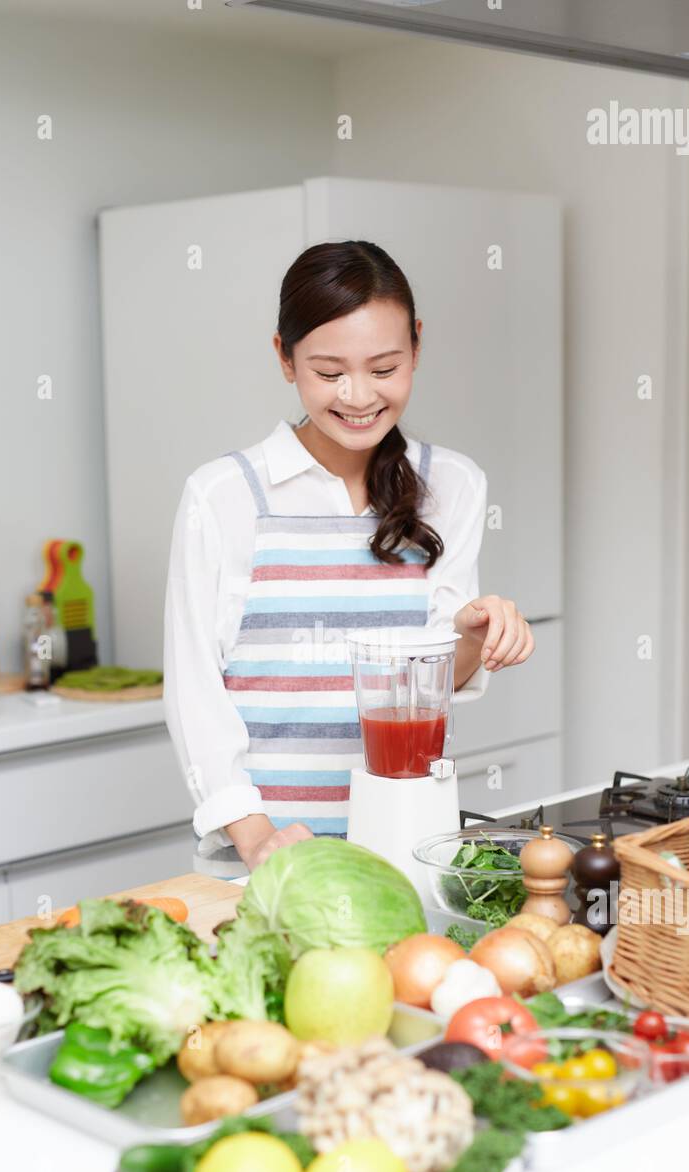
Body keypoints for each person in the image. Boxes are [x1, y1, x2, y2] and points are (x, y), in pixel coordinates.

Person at [164, 240, 534, 873]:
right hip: (266, 864)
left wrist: (473, 635)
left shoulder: (454, 485)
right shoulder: (223, 498)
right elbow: (193, 690)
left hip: (408, 851)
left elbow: (432, 687)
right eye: (329, 372)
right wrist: (258, 840)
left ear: (417, 345)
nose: (359, 396)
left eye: (384, 368)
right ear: (284, 357)